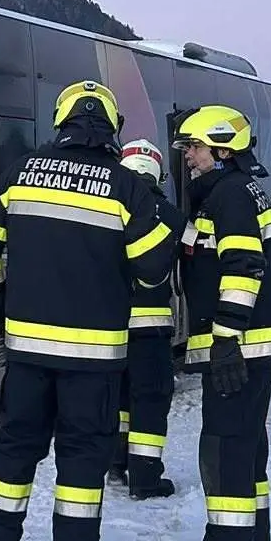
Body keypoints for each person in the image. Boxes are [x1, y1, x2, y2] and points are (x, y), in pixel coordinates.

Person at [0, 81, 176, 541]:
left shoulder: (22, 173)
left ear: (61, 122)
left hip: (27, 353)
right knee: (83, 461)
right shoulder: (125, 186)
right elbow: (153, 272)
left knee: (14, 452)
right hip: (93, 357)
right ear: (112, 129)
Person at [172, 106, 271, 541]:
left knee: (224, 447)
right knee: (246, 445)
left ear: (223, 150)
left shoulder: (231, 196)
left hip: (239, 348)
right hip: (254, 346)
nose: (188, 157)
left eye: (194, 147)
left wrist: (225, 340)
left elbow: (242, 268)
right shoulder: (235, 191)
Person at [111, 138, 181, 499]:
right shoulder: (168, 214)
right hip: (151, 329)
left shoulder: (108, 210)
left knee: (120, 398)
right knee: (150, 400)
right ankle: (145, 477)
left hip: (110, 328)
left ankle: (116, 463)